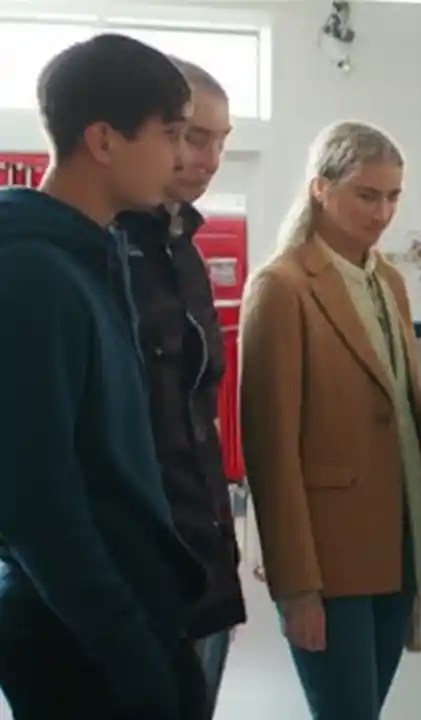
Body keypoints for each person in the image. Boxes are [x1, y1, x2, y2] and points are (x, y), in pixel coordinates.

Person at [0, 34, 209, 718]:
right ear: (103, 139)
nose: (182, 158)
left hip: (129, 619)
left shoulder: (97, 254)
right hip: (79, 640)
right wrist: (128, 650)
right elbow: (37, 499)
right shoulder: (34, 274)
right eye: (170, 135)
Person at [238, 120, 421, 720]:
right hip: (327, 556)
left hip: (394, 541)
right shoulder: (282, 288)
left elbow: (412, 420)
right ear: (321, 188)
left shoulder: (387, 281)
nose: (383, 211)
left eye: (393, 196)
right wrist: (295, 584)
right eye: (367, 194)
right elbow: (270, 450)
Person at [112, 56, 243, 720]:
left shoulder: (183, 247)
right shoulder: (97, 250)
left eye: (222, 139)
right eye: (193, 136)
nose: (211, 157)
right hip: (131, 579)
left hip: (203, 558)